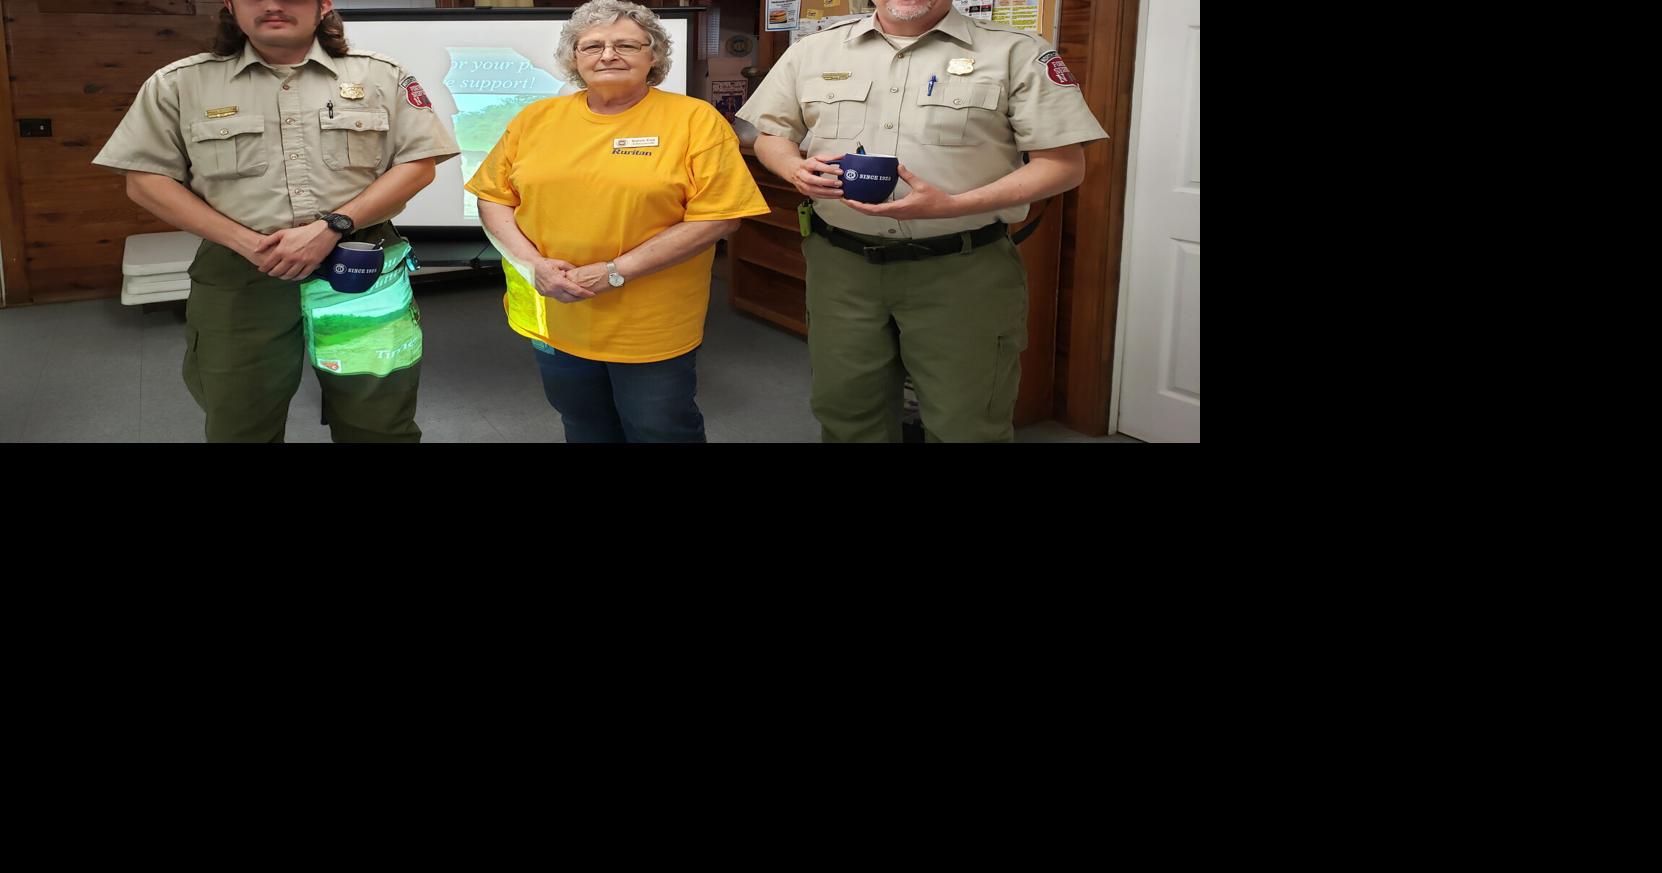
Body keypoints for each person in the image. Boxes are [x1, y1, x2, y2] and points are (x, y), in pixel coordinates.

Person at [738, 0, 1108, 442]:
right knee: (847, 414)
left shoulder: (1017, 51)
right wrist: (792, 168)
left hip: (962, 270)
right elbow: (770, 132)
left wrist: (957, 204)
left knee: (967, 425)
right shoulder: (813, 50)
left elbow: (1065, 165)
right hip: (842, 268)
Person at [91, 0, 458, 442]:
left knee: (378, 420)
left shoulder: (382, 76)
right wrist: (246, 243)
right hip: (241, 274)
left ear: (324, 5)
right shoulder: (179, 84)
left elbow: (419, 164)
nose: (272, 5)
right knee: (240, 421)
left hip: (360, 268)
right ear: (230, 5)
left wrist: (332, 226)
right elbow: (145, 181)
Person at [465, 0, 769, 443]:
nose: (608, 55)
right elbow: (493, 198)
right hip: (554, 308)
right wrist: (534, 266)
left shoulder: (694, 121)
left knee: (660, 428)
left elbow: (720, 218)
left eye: (626, 44)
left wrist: (615, 272)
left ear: (655, 56)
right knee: (582, 423)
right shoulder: (535, 119)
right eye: (592, 46)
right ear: (574, 58)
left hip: (648, 323)